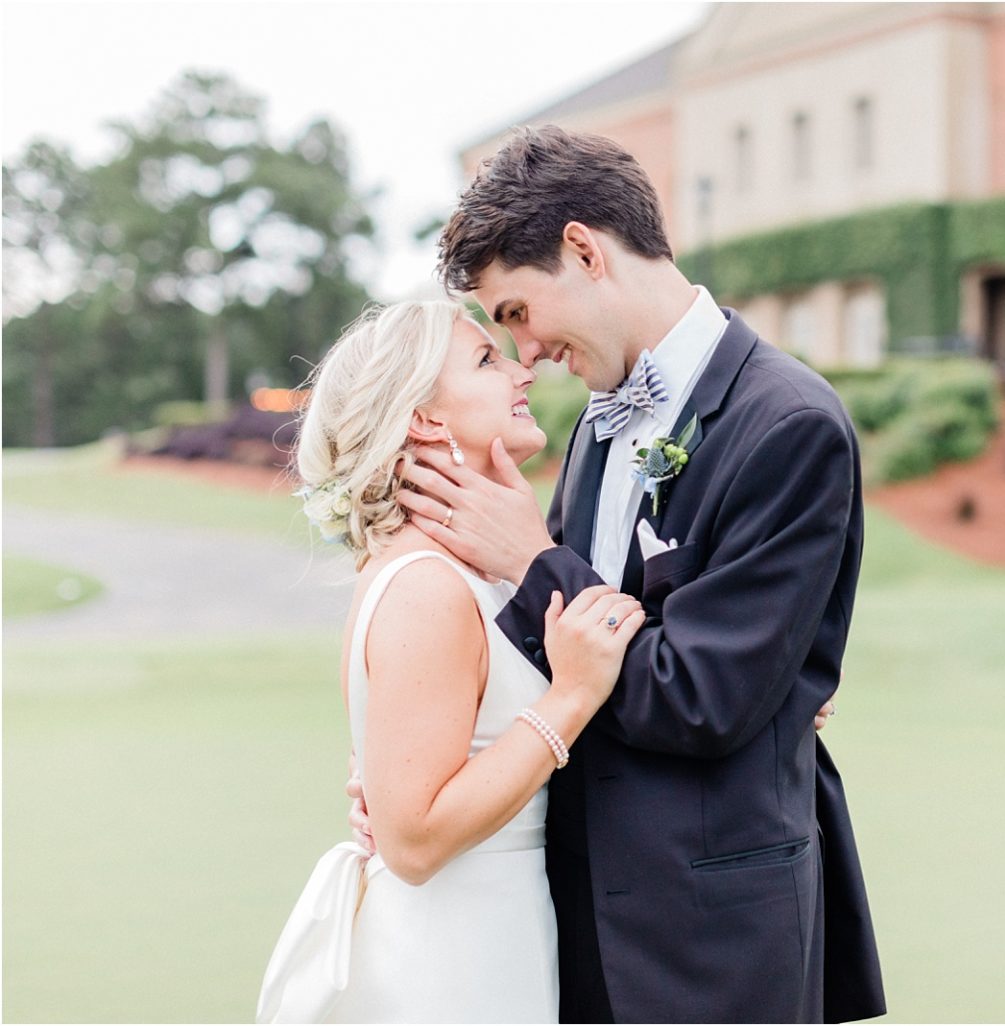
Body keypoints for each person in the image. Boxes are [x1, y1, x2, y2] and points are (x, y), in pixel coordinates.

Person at [354, 124, 885, 1023]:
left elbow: (705, 698)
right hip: (565, 919)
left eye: (517, 313)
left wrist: (529, 558)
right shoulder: (597, 427)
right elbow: (563, 649)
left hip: (710, 936)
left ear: (584, 252)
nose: (524, 354)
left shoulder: (787, 423)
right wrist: (427, 775)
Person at [257, 301, 646, 1023]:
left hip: (502, 934)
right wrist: (569, 700)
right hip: (450, 962)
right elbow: (412, 839)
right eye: (485, 361)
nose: (520, 368)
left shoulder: (478, 570)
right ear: (425, 420)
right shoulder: (426, 587)